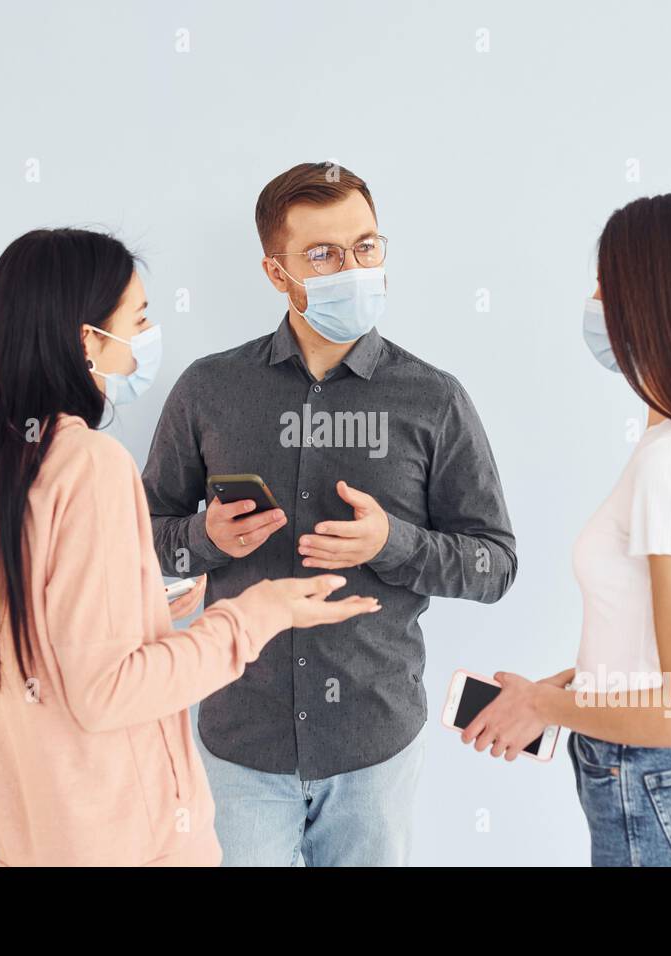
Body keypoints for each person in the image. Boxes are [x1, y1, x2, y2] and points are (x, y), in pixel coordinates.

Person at [0, 228, 379, 867]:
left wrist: (141, 605)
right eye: (139, 318)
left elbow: (17, 657)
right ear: (87, 340)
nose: (147, 339)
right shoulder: (86, 466)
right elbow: (107, 692)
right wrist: (259, 613)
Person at [142, 162, 517, 866]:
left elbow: (495, 564)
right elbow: (135, 544)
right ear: (275, 272)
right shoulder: (208, 390)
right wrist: (203, 538)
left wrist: (393, 543)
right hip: (241, 742)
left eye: (366, 247)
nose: (353, 268)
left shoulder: (433, 399)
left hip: (374, 746)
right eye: (323, 254)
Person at [464, 191, 671, 867]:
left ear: (656, 301)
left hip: (650, 783)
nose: (596, 304)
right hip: (668, 790)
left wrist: (548, 709)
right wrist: (557, 692)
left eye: (607, 286)